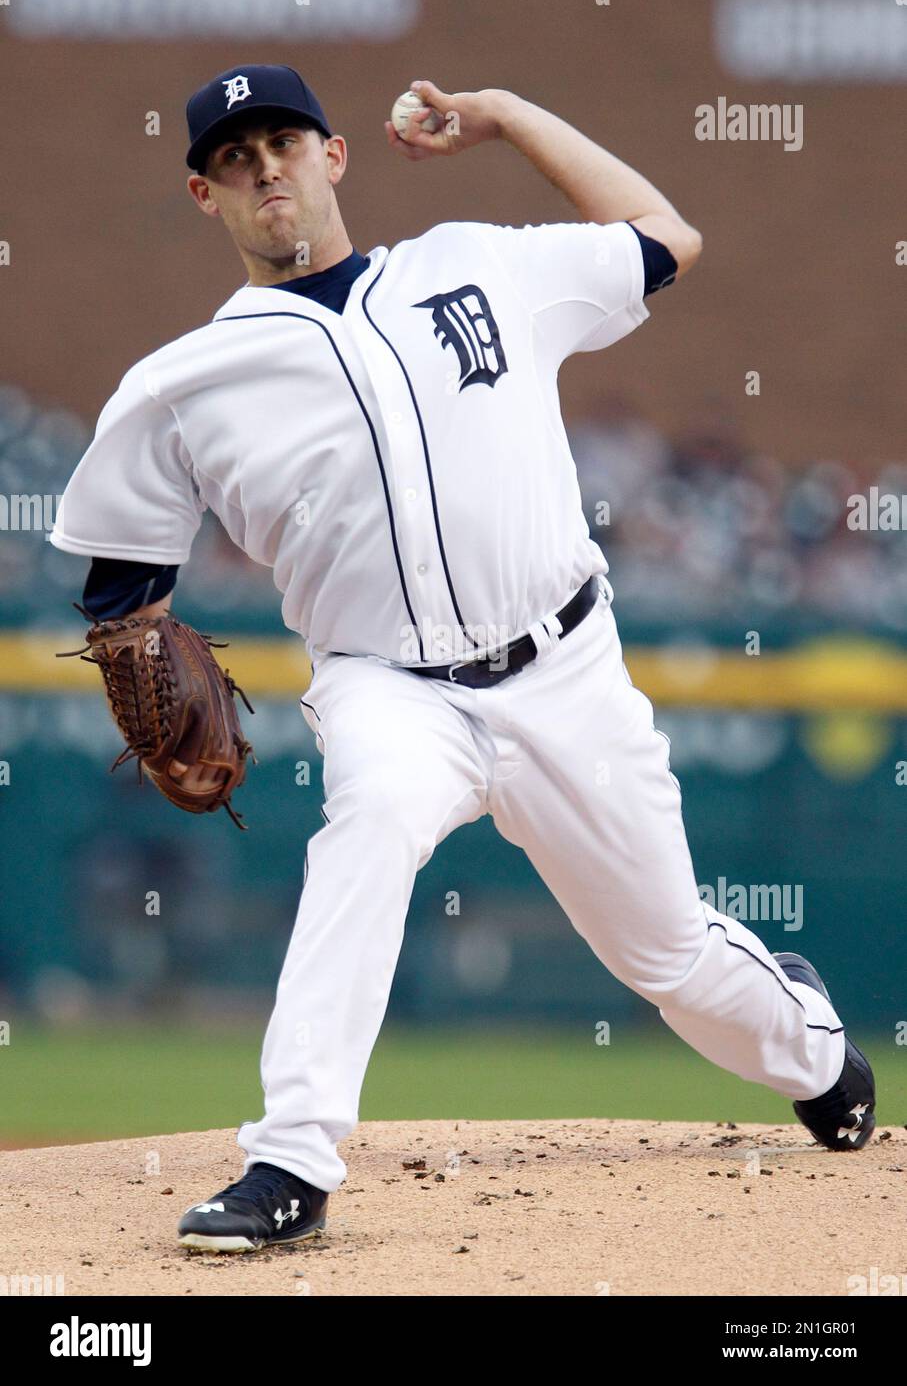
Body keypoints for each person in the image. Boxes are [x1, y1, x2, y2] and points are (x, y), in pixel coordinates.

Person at [51, 65, 875, 1253]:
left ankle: (803, 1040)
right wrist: (133, 641)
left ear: (334, 157)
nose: (264, 167)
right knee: (366, 835)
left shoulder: (472, 263)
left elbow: (665, 237)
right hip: (384, 688)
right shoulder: (183, 382)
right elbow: (119, 580)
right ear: (204, 194)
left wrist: (505, 118)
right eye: (236, 158)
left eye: (283, 141)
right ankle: (290, 1161)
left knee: (669, 955)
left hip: (564, 670)